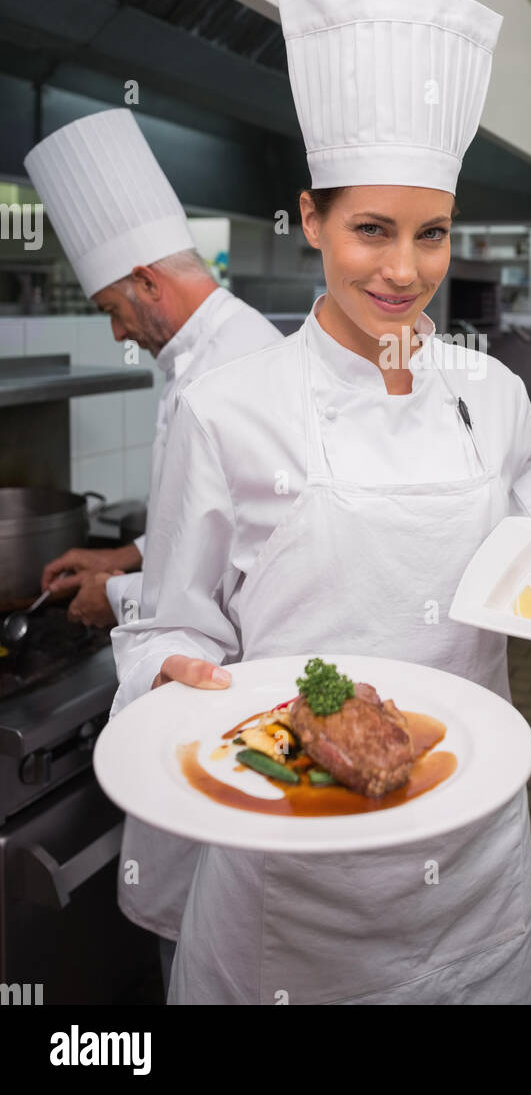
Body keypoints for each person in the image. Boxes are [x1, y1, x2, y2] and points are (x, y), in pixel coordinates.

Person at [112, 0, 531, 1005]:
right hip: (289, 864)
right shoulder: (227, 408)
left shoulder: (490, 394)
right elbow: (162, 628)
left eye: (432, 233)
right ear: (309, 220)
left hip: (471, 843)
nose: (405, 271)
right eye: (371, 230)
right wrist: (170, 668)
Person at [26, 107, 282, 989]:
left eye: (111, 311)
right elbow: (199, 523)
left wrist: (119, 603)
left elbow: (235, 578)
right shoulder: (208, 354)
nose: (115, 333)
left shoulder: (235, 371)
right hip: (201, 683)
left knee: (209, 948)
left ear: (145, 280)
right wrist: (125, 557)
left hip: (219, 685)